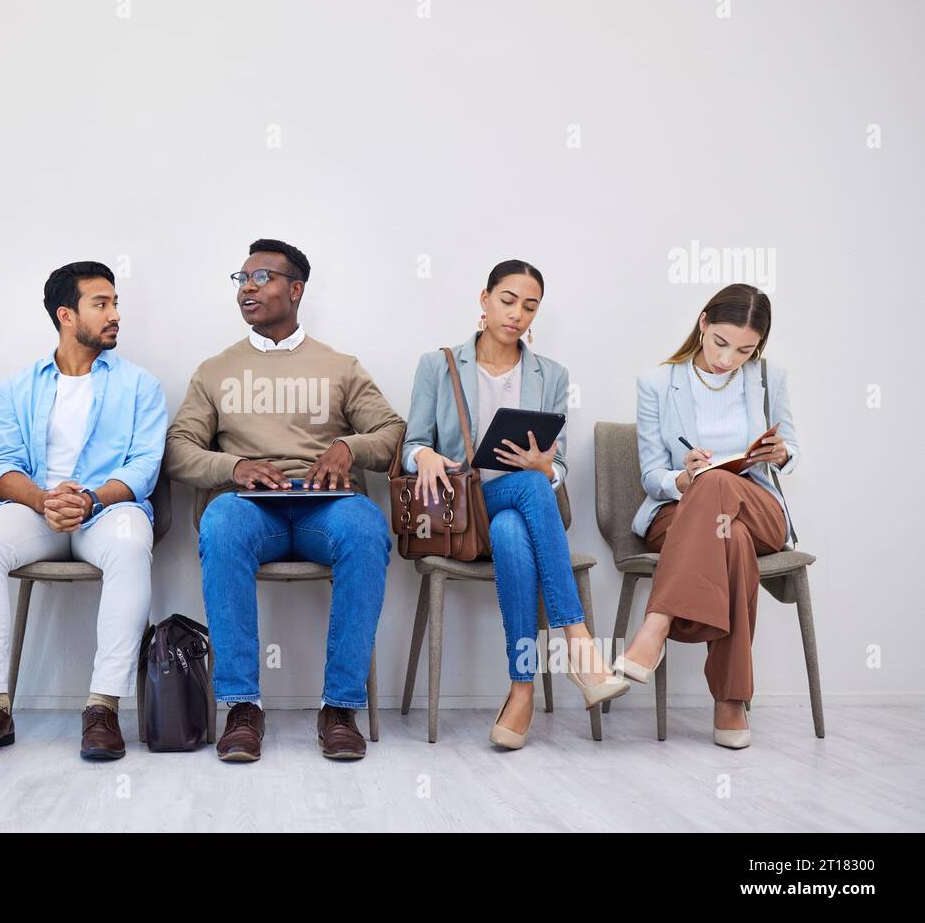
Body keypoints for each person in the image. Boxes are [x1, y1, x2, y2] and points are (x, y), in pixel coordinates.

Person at [164, 238, 404, 762]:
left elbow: (391, 432)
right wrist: (234, 467)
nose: (247, 289)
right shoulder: (215, 371)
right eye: (241, 280)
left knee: (366, 530)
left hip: (326, 506)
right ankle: (242, 706)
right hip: (250, 508)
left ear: (296, 290)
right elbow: (178, 451)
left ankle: (339, 708)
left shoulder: (340, 366)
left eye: (261, 278)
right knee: (220, 525)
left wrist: (347, 446)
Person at [400, 259, 629, 749]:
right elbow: (411, 441)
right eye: (507, 301)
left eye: (530, 307)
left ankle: (521, 690)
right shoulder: (437, 365)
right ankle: (580, 644)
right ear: (484, 299)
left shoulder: (552, 375)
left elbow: (560, 465)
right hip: (462, 510)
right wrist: (426, 456)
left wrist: (547, 468)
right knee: (526, 487)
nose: (517, 315)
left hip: (515, 517)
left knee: (514, 520)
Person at [0, 261, 166, 761]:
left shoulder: (140, 386)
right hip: (37, 512)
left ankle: (103, 707)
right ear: (67, 315)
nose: (115, 315)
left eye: (115, 303)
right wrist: (44, 501)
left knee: (132, 543)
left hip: (107, 510)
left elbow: (145, 467)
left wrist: (88, 499)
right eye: (101, 304)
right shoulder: (18, 387)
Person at [615, 284, 798, 749]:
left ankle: (655, 625)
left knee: (721, 488)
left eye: (744, 349)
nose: (728, 358)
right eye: (720, 342)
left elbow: (792, 451)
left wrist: (779, 454)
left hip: (759, 510)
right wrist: (683, 478)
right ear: (702, 323)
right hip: (680, 512)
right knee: (728, 534)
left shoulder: (767, 378)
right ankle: (731, 700)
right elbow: (653, 473)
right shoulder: (657, 383)